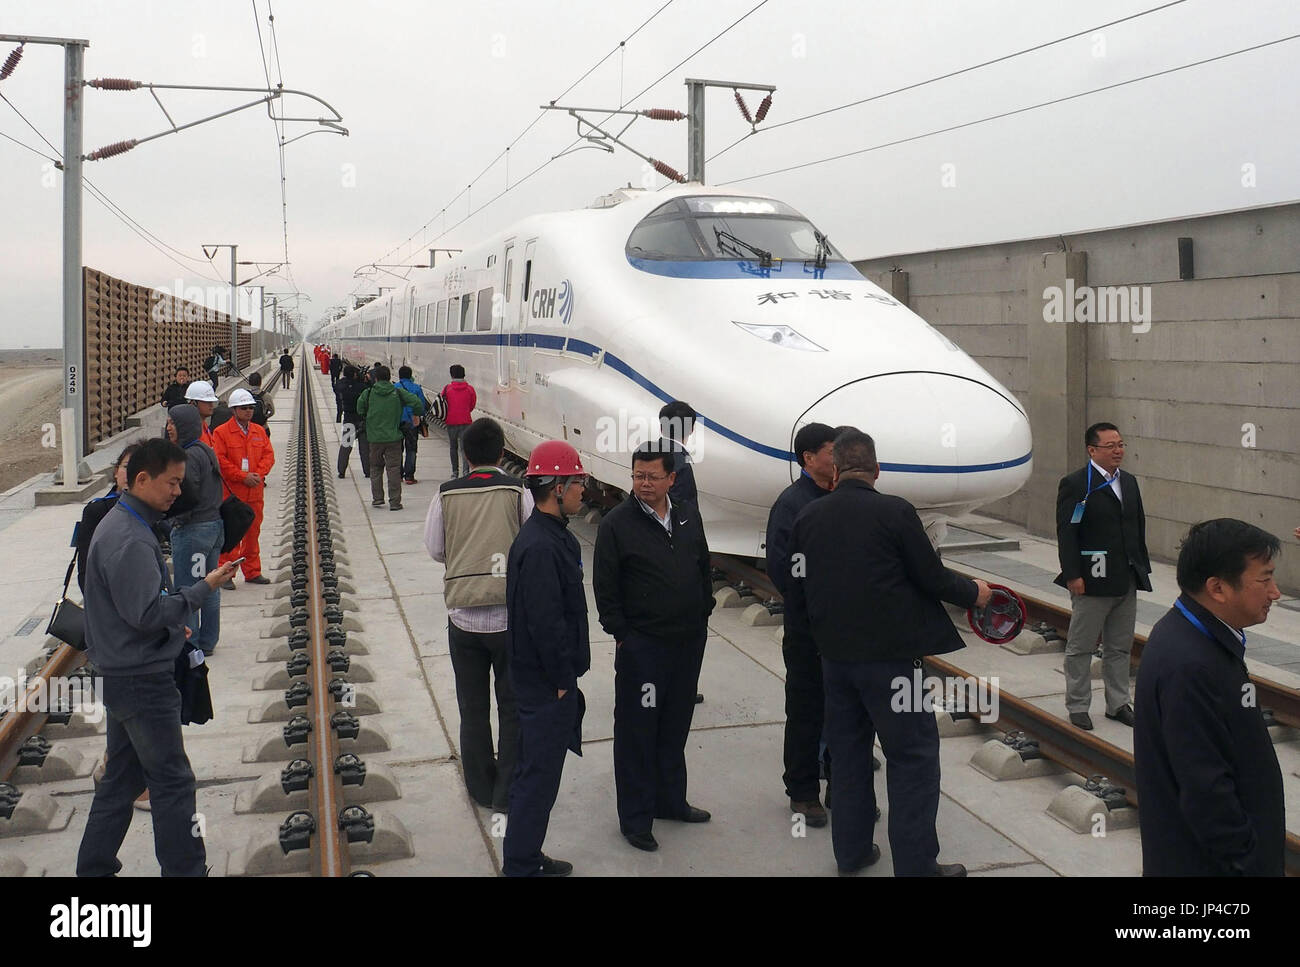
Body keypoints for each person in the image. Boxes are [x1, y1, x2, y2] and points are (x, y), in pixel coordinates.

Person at [784, 429, 991, 876]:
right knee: (912, 758)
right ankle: (917, 866)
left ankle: (853, 853)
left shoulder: (809, 518)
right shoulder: (895, 512)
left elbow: (796, 591)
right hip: (895, 666)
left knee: (849, 755)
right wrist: (973, 593)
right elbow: (931, 577)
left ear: (835, 471)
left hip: (836, 663)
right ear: (877, 471)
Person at [75, 439, 240, 877]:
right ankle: (186, 871)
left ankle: (93, 868)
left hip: (122, 671)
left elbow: (137, 609)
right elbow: (147, 615)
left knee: (121, 781)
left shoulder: (126, 525)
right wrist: (203, 589)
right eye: (171, 483)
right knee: (172, 781)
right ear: (142, 479)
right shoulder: (129, 538)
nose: (176, 492)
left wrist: (172, 621)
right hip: (141, 678)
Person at [1134, 519, 1284, 876]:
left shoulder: (1197, 639)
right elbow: (1206, 790)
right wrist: (1250, 863)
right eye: (1264, 580)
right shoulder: (1191, 664)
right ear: (1218, 588)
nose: (1275, 592)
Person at [593, 442, 715, 853]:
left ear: (671, 479)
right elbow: (605, 589)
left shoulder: (686, 516)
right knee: (637, 732)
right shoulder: (617, 524)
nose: (644, 484)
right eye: (638, 476)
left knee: (674, 725)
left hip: (687, 643)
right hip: (643, 649)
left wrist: (703, 614)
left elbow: (702, 567)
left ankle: (670, 801)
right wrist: (624, 633)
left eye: (652, 476)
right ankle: (636, 819)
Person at [424, 418, 532, 811]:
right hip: (509, 621)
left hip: (464, 619)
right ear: (502, 453)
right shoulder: (518, 492)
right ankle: (509, 789)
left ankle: (480, 789)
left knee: (472, 708)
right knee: (512, 707)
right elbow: (531, 543)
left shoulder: (446, 495)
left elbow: (435, 549)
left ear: (466, 455)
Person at [502, 440, 591, 877]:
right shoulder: (541, 546)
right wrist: (560, 678)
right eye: (577, 484)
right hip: (544, 682)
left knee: (539, 774)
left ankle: (527, 854)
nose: (582, 492)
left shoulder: (548, 536)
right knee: (537, 777)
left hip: (544, 678)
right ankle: (521, 864)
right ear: (557, 487)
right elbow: (545, 621)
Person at [1054, 422, 1152, 730]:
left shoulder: (1130, 483)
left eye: (1121, 445)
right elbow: (1068, 533)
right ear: (1092, 450)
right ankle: (1079, 704)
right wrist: (1073, 574)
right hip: (1092, 578)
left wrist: (1140, 568)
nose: (1118, 451)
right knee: (1081, 646)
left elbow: (1137, 527)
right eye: (1111, 446)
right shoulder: (1075, 484)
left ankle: (1118, 703)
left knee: (1120, 646)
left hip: (1126, 577)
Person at [765, 422, 838, 826]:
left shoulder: (842, 497)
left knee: (844, 712)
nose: (837, 457)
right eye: (831, 450)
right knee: (807, 711)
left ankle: (842, 786)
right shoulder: (793, 504)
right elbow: (781, 567)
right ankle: (803, 793)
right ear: (809, 458)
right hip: (808, 631)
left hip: (845, 632)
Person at [165, 404, 226, 655]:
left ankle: (191, 643)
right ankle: (208, 640)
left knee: (189, 589)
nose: (168, 428)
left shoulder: (188, 457)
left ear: (184, 426)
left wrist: (173, 520)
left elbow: (187, 496)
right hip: (213, 527)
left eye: (172, 423)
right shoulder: (204, 449)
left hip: (194, 533)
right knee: (209, 585)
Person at [212, 389, 275, 586]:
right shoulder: (221, 433)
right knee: (232, 534)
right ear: (234, 410)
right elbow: (220, 461)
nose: (248, 411)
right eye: (244, 408)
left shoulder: (258, 431)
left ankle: (253, 572)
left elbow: (268, 455)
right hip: (233, 494)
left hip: (254, 493)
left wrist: (258, 474)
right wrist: (242, 476)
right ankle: (226, 574)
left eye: (250, 407)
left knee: (252, 533)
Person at [74, 443, 141, 593]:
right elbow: (85, 569)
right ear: (116, 471)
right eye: (126, 466)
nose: (130, 473)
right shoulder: (96, 510)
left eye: (137, 469)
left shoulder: (152, 512)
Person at [356, 364, 423, 511]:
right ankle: (395, 502)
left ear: (376, 378)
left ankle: (377, 499)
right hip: (393, 438)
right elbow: (417, 403)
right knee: (393, 469)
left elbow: (359, 408)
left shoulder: (368, 393)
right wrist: (415, 414)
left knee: (375, 468)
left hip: (374, 439)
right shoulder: (398, 393)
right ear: (389, 377)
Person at [658, 400, 699, 508]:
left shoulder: (643, 453)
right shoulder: (682, 464)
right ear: (691, 429)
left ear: (661, 428)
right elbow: (683, 510)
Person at [396, 365, 430, 485]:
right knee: (411, 449)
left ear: (399, 375)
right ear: (410, 376)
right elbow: (421, 406)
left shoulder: (394, 387)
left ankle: (398, 475)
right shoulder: (416, 388)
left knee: (397, 449)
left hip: (397, 422)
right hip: (412, 422)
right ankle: (409, 476)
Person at [441, 364, 477, 478]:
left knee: (453, 447)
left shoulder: (447, 389)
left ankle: (454, 472)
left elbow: (443, 404)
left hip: (451, 422)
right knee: (464, 448)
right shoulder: (470, 389)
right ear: (464, 374)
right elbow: (472, 405)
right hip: (466, 421)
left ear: (451, 375)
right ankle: (466, 472)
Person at [335, 365, 369, 479]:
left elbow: (339, 385)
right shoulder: (361, 387)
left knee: (346, 445)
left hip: (348, 419)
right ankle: (367, 471)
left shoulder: (341, 386)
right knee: (364, 448)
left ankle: (341, 471)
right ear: (355, 374)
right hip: (361, 419)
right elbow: (369, 390)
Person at [182, 380, 219, 447]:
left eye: (211, 401)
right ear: (194, 403)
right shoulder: (190, 431)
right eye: (207, 402)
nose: (211, 405)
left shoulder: (203, 424)